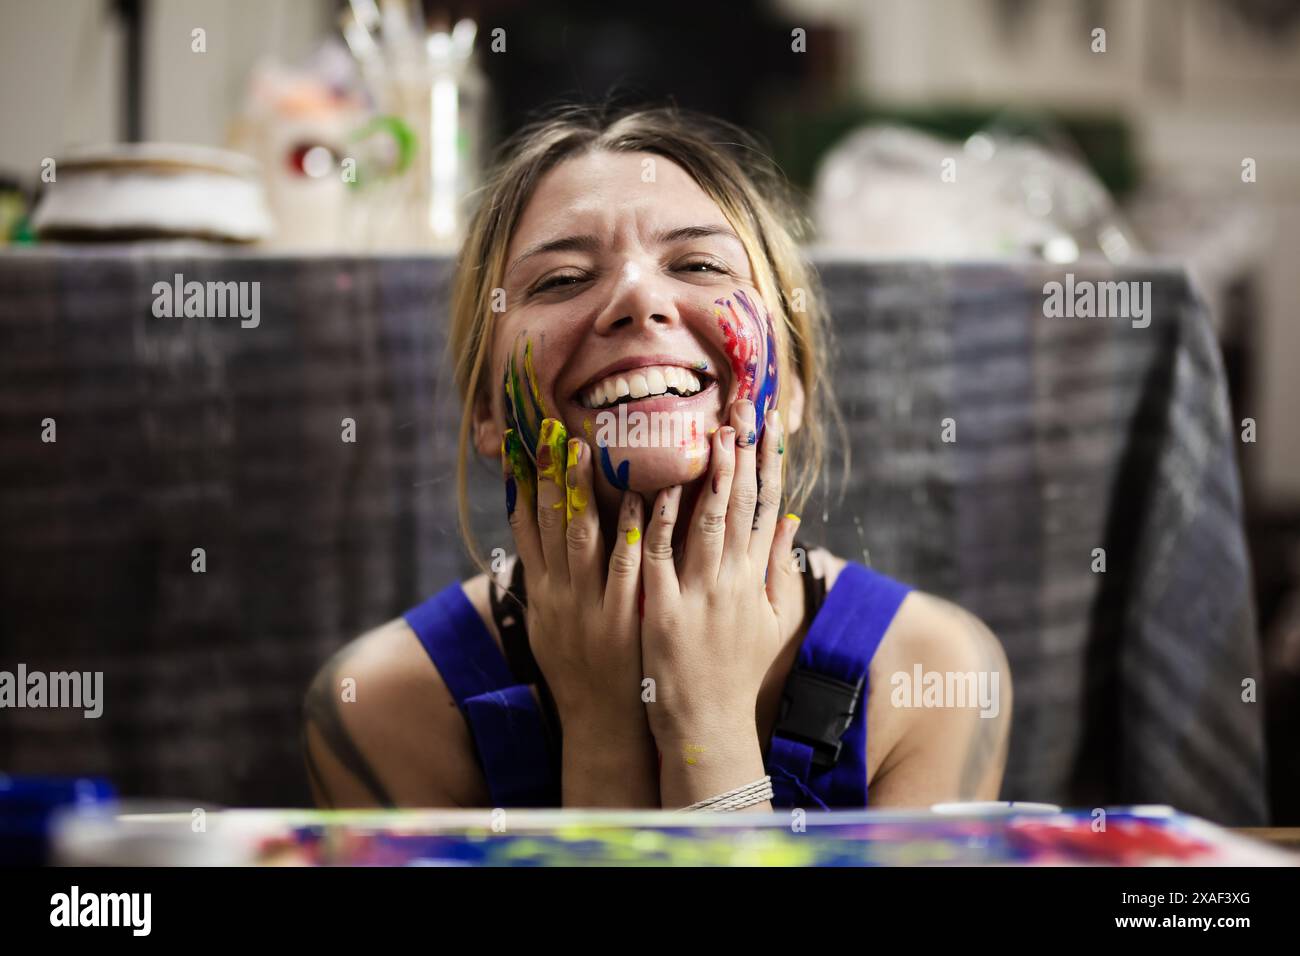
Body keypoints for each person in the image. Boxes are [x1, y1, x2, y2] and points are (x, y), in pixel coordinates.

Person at [302, 104, 1012, 811]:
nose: (639, 298)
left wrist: (709, 724)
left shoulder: (935, 673)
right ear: (486, 412)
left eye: (699, 264)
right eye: (560, 279)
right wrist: (604, 733)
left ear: (792, 385)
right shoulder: (382, 708)